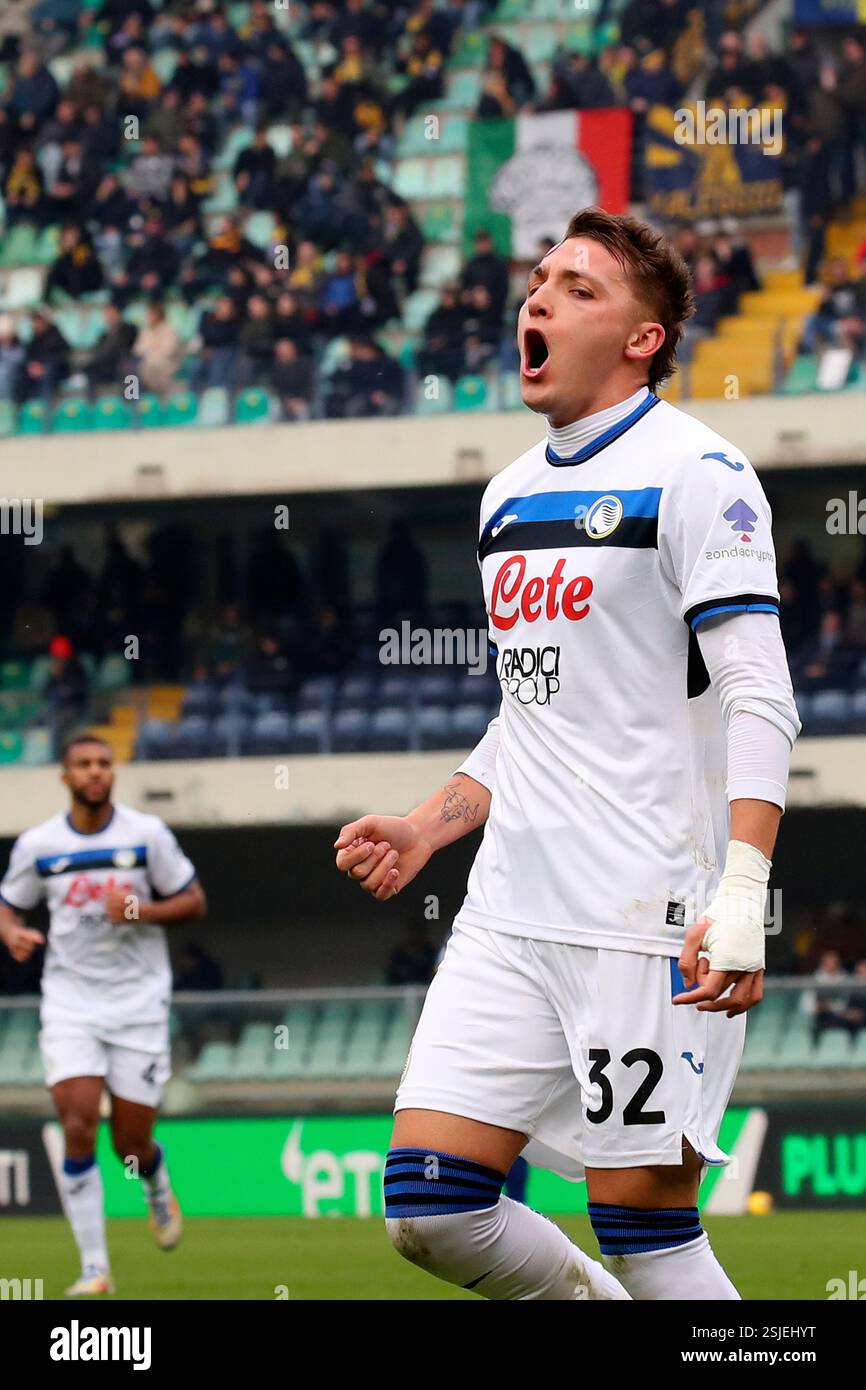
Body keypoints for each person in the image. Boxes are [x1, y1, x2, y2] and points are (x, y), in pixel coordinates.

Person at [335, 208, 800, 1301]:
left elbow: (757, 691)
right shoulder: (504, 498)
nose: (536, 298)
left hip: (641, 920)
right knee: (428, 1210)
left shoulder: (700, 471)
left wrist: (741, 889)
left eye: (578, 288)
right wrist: (425, 823)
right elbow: (527, 716)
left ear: (642, 338)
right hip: (507, 912)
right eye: (538, 279)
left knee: (645, 1230)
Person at [0, 733, 206, 1296]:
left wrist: (143, 908)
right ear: (64, 776)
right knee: (77, 1124)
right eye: (83, 764)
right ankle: (95, 1270)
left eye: (103, 763)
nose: (95, 771)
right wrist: (11, 933)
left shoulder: (147, 835)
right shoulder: (38, 845)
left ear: (112, 774)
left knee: (130, 1146)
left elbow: (193, 901)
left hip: (139, 1006)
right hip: (70, 1004)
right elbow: (7, 903)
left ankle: (154, 1177)